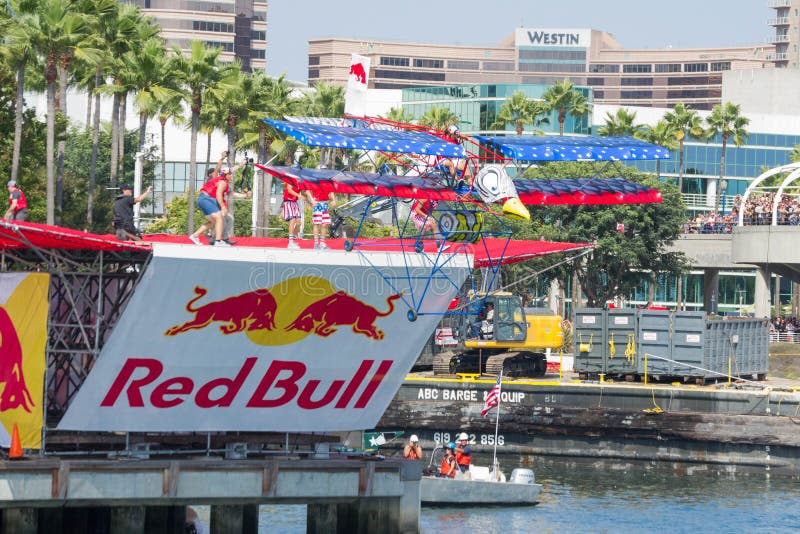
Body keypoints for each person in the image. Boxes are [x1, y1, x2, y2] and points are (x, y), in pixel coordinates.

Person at [189, 162, 244, 247]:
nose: (232, 176)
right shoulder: (223, 182)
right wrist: (223, 207)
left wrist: (241, 164)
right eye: (231, 175)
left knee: (213, 222)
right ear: (226, 175)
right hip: (206, 199)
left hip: (202, 199)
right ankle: (218, 241)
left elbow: (229, 170)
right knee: (220, 219)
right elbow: (218, 194)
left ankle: (194, 236)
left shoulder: (220, 179)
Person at [282, 182, 303, 249]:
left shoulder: (301, 182)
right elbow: (289, 190)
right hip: (288, 201)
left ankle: (292, 239)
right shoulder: (291, 179)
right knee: (292, 220)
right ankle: (290, 243)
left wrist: (310, 200)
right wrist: (298, 195)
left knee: (299, 223)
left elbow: (303, 193)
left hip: (295, 202)